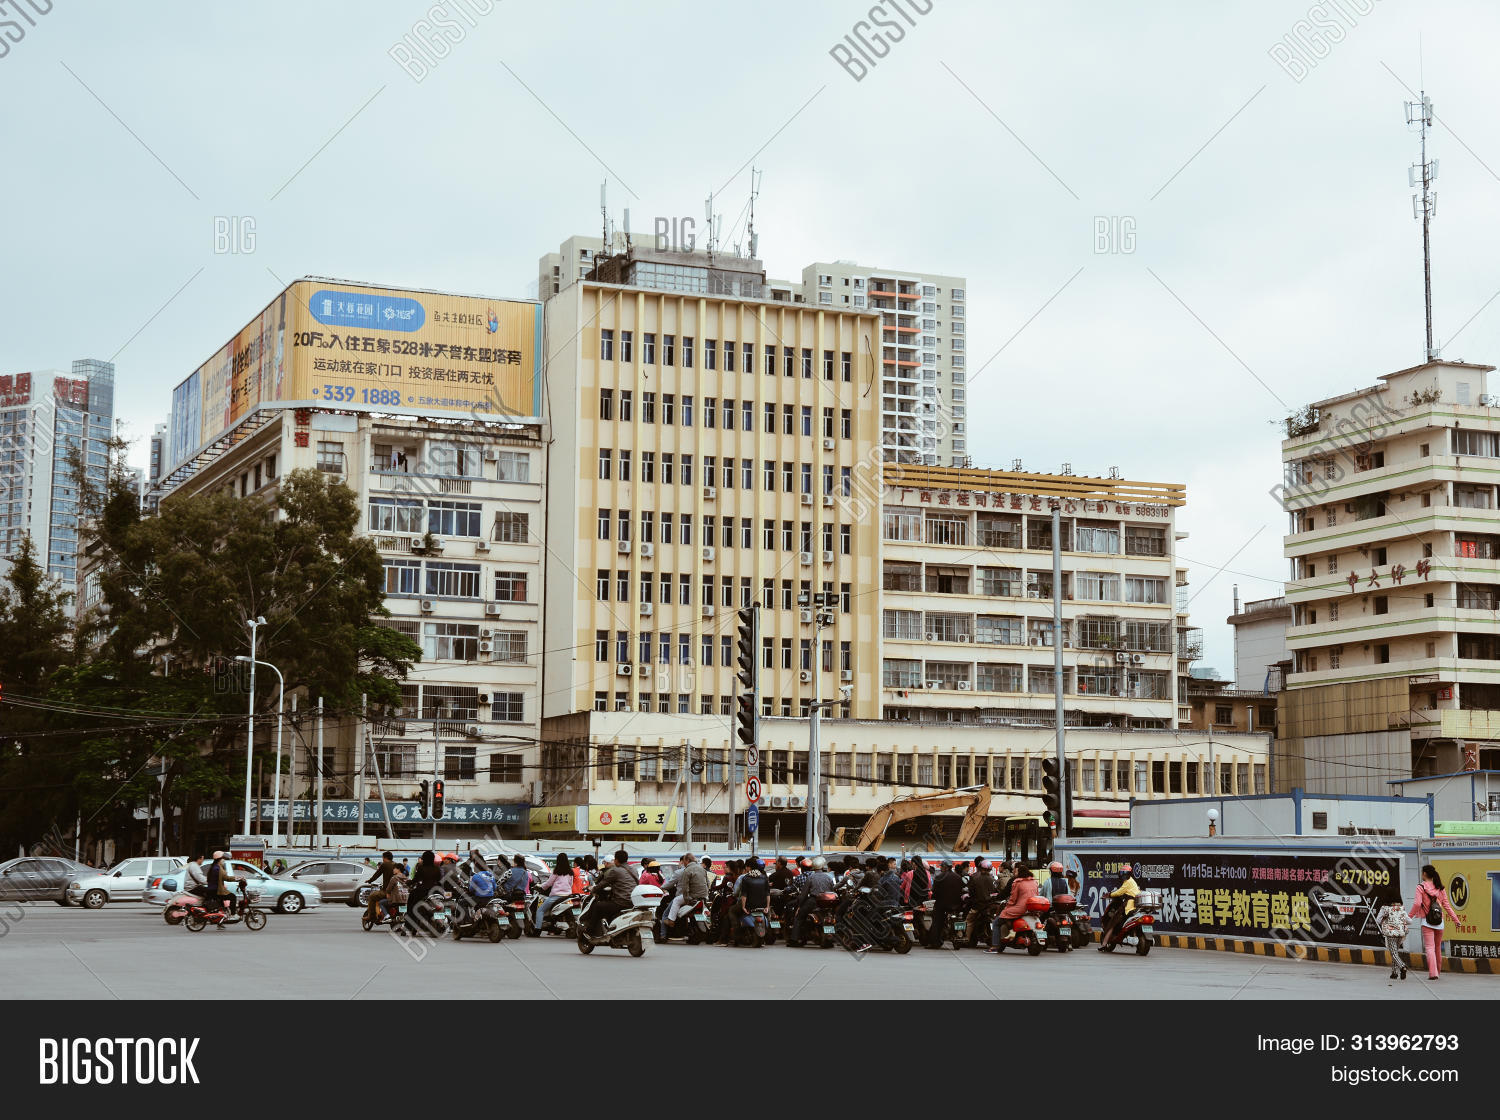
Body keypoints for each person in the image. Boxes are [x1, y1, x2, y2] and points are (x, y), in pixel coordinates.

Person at [1409, 864, 1462, 980]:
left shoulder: (1420, 887)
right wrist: (1456, 920)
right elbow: (1447, 907)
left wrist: (1409, 917)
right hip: (1439, 922)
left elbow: (1417, 904)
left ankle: (1433, 973)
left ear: (1424, 874)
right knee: (1437, 947)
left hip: (1426, 922)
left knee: (1429, 947)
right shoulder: (1440, 888)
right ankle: (1438, 971)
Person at [584, 849, 640, 936]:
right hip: (633, 902)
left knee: (597, 906)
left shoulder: (615, 871)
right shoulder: (634, 869)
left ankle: (590, 930)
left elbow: (603, 884)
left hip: (621, 902)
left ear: (616, 860)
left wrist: (593, 889)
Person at [987, 863, 1038, 952]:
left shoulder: (1017, 882)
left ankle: (995, 946)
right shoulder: (1034, 882)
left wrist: (1007, 907)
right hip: (1031, 908)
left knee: (996, 922)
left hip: (1019, 908)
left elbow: (1013, 899)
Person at [789, 856, 837, 946]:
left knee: (799, 917)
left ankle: (794, 940)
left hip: (814, 901)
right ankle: (829, 939)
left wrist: (800, 905)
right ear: (823, 867)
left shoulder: (811, 877)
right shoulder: (828, 878)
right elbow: (832, 890)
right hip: (828, 903)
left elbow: (804, 894)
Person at [665, 852, 710, 933]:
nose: (683, 863)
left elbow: (685, 888)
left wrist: (687, 899)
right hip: (704, 896)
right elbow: (708, 883)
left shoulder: (687, 870)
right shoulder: (702, 869)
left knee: (676, 901)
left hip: (693, 896)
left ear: (688, 860)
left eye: (684, 861)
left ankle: (671, 920)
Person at [1098, 863, 1140, 950]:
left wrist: (1109, 895)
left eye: (1125, 873)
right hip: (1134, 906)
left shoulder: (1127, 882)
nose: (1123, 875)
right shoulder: (1132, 881)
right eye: (1123, 873)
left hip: (1128, 906)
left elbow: (1119, 892)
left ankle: (1104, 944)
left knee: (1113, 922)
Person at [926, 860, 965, 949]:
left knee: (937, 921)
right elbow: (962, 890)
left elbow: (935, 892)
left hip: (942, 905)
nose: (940, 868)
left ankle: (935, 942)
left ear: (945, 867)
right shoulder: (958, 877)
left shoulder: (939, 877)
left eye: (941, 867)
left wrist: (935, 899)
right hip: (956, 905)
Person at [534, 853, 576, 932]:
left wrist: (541, 886)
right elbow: (571, 884)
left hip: (556, 896)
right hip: (567, 896)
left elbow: (549, 883)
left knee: (540, 910)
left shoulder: (556, 871)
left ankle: (537, 929)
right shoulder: (570, 872)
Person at [1376, 893, 1412, 981]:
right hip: (1401, 933)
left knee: (1393, 953)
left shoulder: (1385, 908)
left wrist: (1385, 920)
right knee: (1395, 952)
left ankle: (1402, 967)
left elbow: (1378, 920)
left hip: (1391, 933)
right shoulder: (1401, 908)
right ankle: (1394, 973)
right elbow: (1409, 921)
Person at [733, 857, 771, 938]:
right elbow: (768, 894)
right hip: (762, 905)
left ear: (748, 867)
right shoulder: (764, 877)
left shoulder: (745, 877)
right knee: (769, 915)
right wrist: (767, 906)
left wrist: (743, 907)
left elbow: (744, 894)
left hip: (749, 905)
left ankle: (737, 934)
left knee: (731, 911)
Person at [407, 851, 442, 934]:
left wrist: (409, 882)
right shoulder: (437, 868)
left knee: (411, 905)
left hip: (423, 891)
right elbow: (439, 880)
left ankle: (409, 925)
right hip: (435, 891)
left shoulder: (421, 867)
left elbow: (416, 879)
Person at [965, 858, 994, 947]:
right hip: (989, 906)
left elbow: (971, 891)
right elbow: (994, 891)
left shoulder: (974, 877)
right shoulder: (992, 879)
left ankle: (966, 939)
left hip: (977, 906)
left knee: (969, 921)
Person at [363, 851, 398, 924]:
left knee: (372, 897)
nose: (382, 859)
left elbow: (377, 874)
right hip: (396, 892)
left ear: (385, 858)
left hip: (386, 891)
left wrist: (370, 881)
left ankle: (371, 916)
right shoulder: (396, 865)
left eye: (383, 858)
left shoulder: (384, 865)